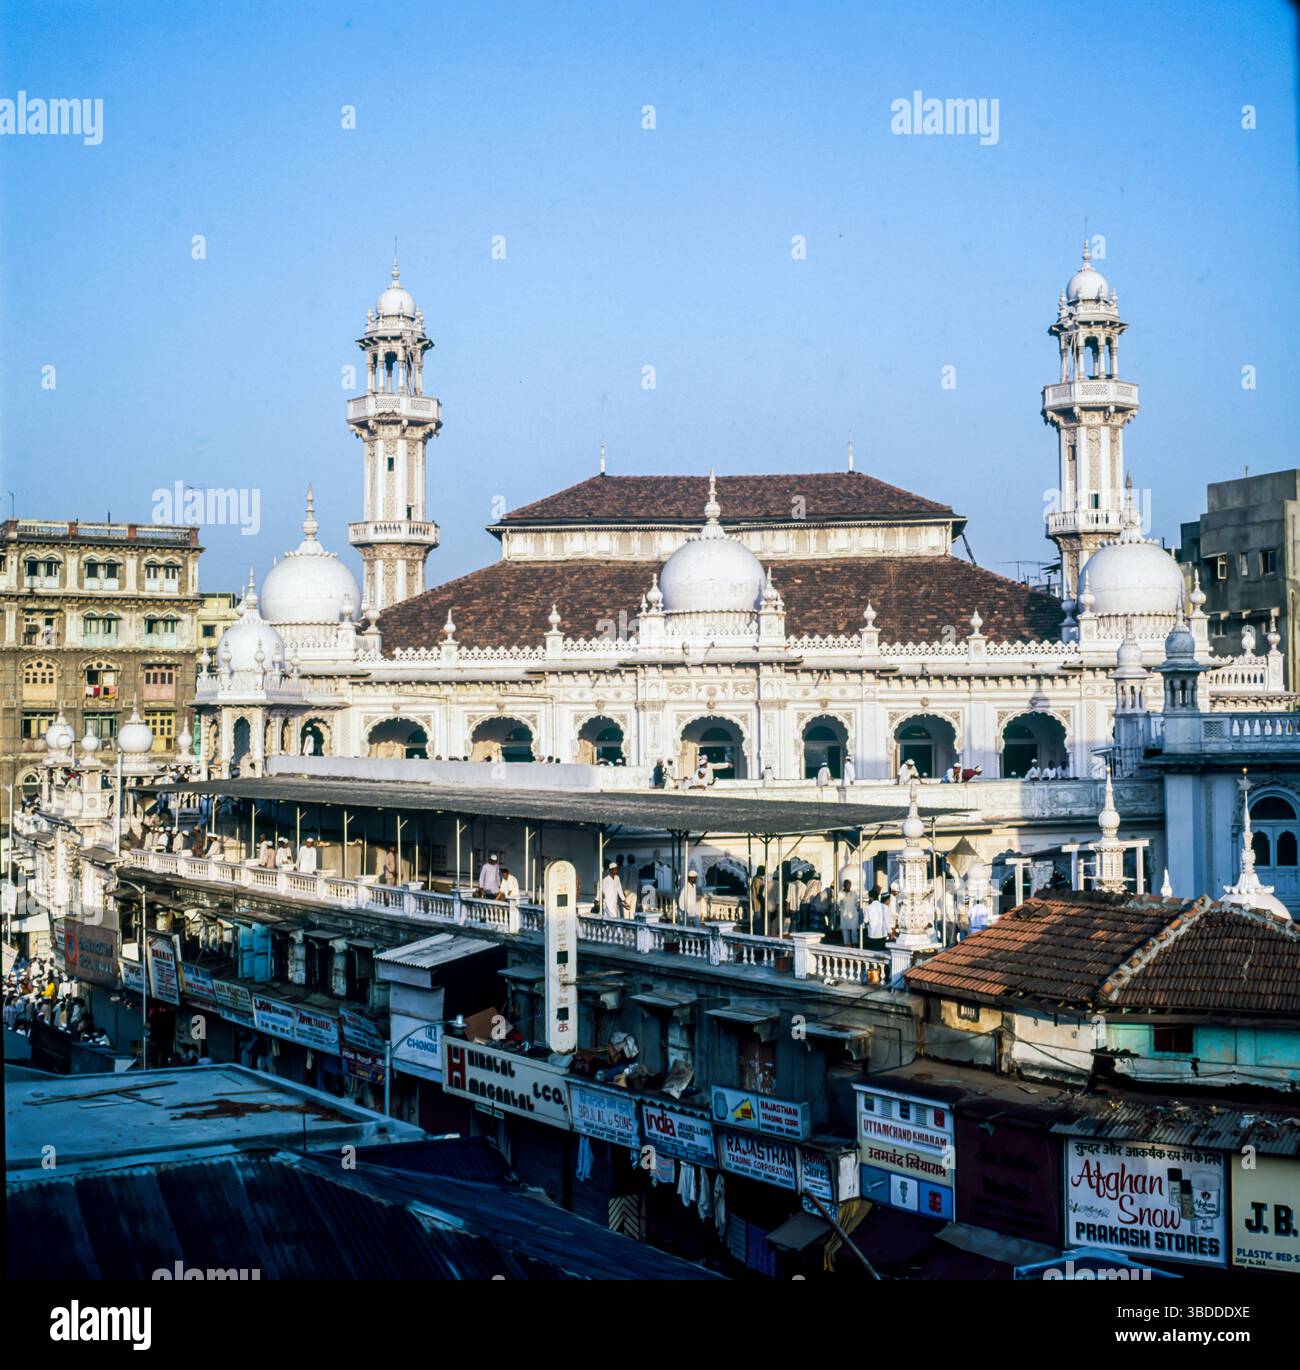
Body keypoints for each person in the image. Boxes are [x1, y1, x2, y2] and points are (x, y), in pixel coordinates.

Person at [837, 879, 862, 945]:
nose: (849, 887)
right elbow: (838, 904)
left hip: (853, 915)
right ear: (844, 885)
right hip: (844, 916)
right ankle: (847, 945)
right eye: (847, 885)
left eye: (850, 885)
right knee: (845, 931)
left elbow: (857, 903)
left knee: (854, 931)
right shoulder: (840, 894)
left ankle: (855, 945)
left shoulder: (854, 893)